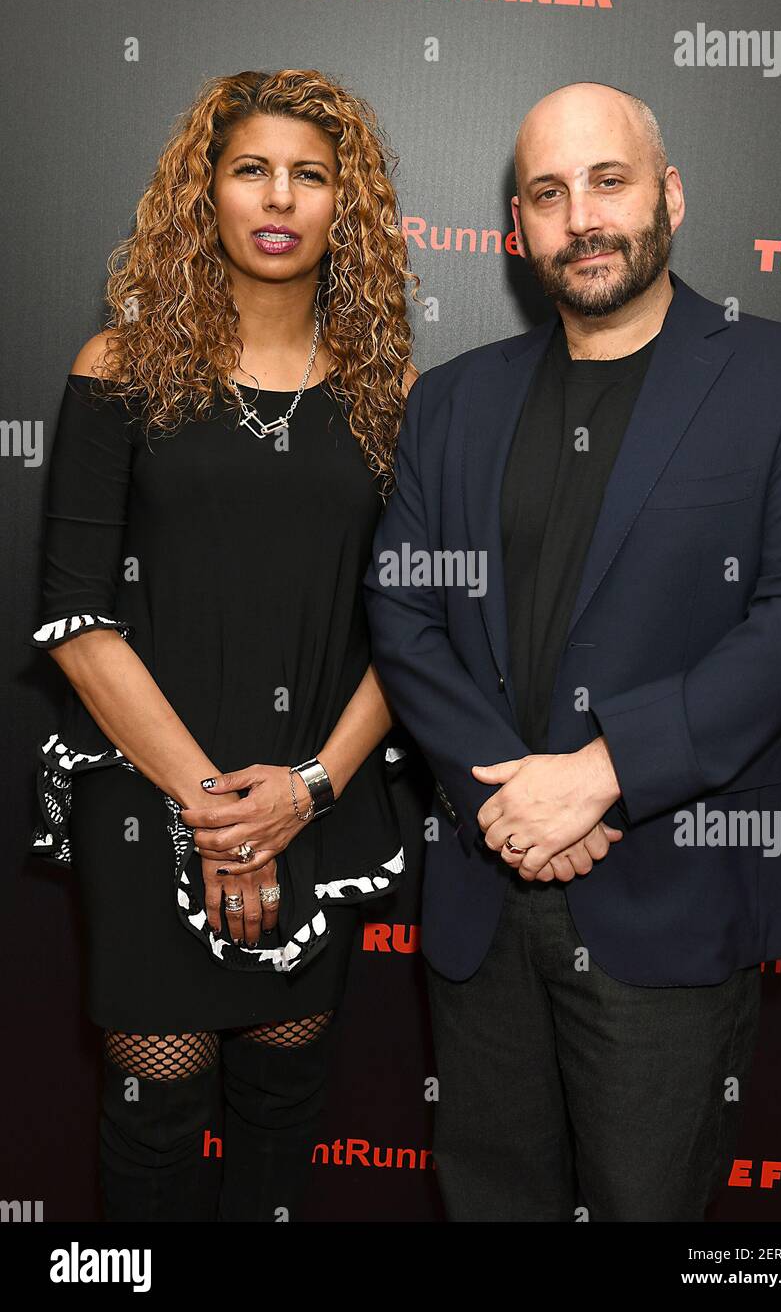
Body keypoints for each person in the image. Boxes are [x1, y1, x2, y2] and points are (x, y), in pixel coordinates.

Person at [363, 81, 781, 1221]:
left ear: (668, 196)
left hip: (668, 899)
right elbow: (402, 612)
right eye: (547, 193)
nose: (580, 216)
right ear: (516, 231)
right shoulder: (449, 403)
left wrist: (596, 778)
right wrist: (513, 799)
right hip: (484, 891)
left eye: (607, 181)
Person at [28, 67, 419, 1222]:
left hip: (320, 788)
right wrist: (218, 813)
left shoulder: (394, 397)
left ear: (346, 204)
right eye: (251, 168)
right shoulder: (123, 367)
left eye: (311, 173)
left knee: (282, 1098)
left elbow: (412, 623)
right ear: (206, 193)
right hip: (151, 790)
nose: (280, 196)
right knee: (158, 1102)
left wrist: (301, 793)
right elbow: (75, 618)